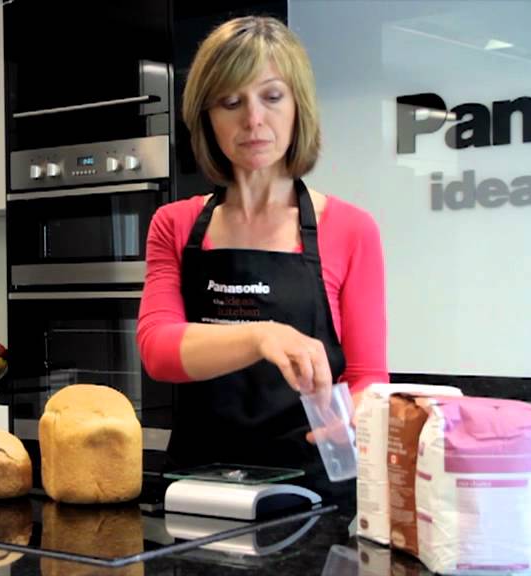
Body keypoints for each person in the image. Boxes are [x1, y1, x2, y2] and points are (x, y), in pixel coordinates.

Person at [136, 16, 388, 483]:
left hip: (311, 489)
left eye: (272, 97)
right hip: (199, 488)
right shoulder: (174, 224)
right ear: (208, 117)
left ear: (298, 107)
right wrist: (262, 336)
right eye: (231, 102)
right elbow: (158, 351)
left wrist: (356, 411)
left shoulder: (352, 229)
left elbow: (370, 376)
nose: (253, 119)